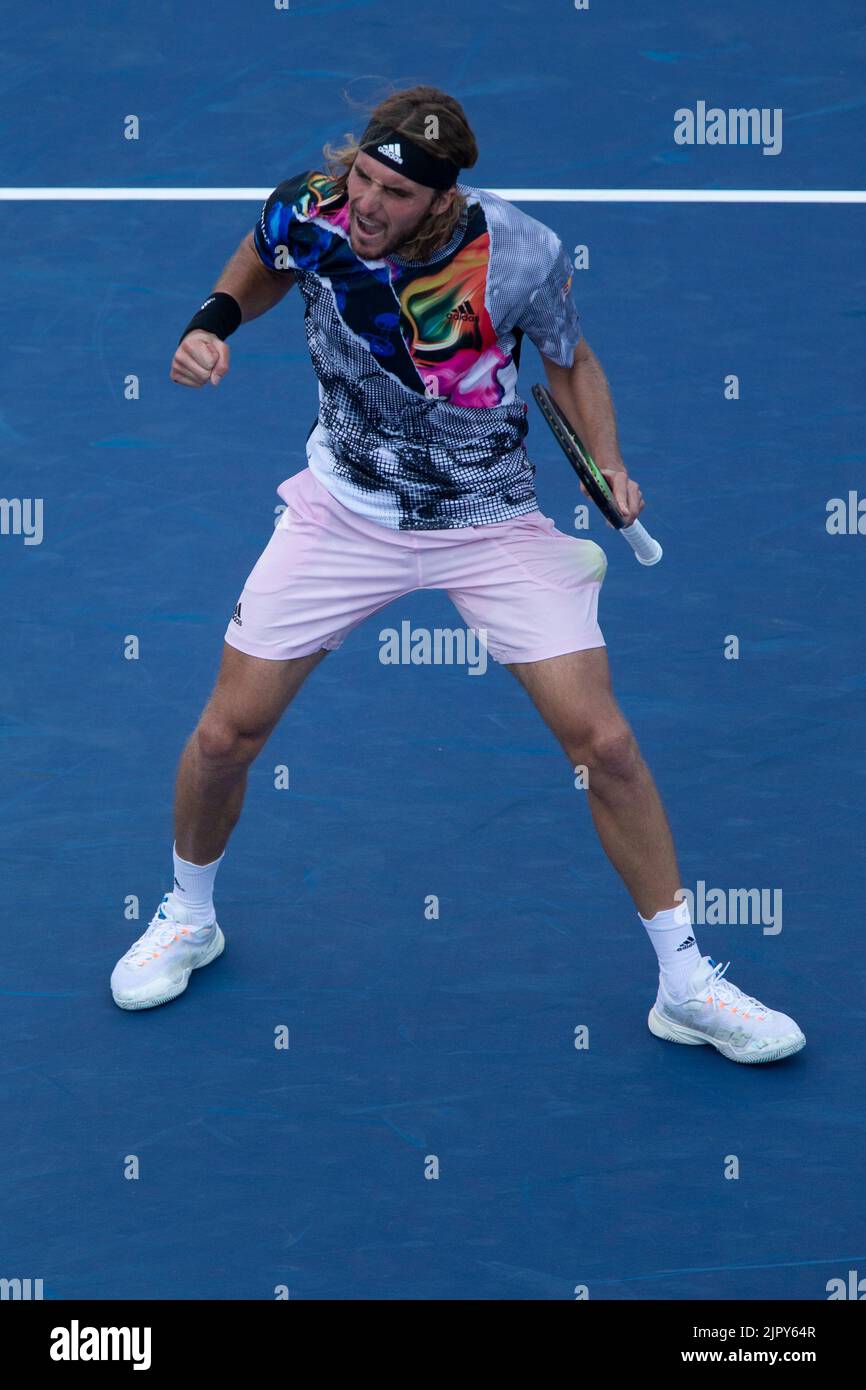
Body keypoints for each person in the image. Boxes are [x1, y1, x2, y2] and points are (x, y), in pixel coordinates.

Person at [110, 85, 804, 1065]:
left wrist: (608, 461)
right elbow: (265, 258)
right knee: (226, 733)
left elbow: (569, 363)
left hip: (487, 522)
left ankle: (685, 982)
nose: (367, 204)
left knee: (601, 742)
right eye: (363, 176)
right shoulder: (314, 207)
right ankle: (189, 915)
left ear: (442, 201)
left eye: (394, 193)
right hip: (343, 510)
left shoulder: (520, 253)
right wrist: (214, 321)